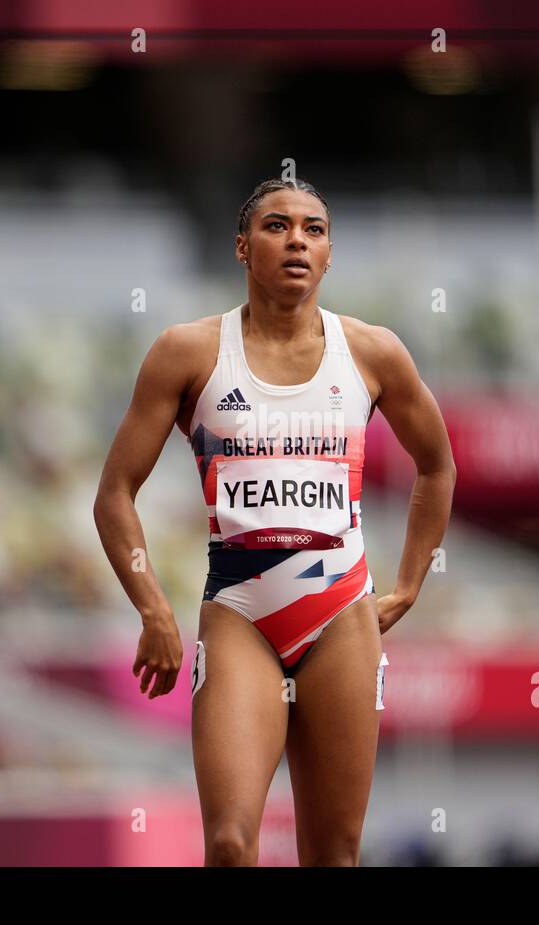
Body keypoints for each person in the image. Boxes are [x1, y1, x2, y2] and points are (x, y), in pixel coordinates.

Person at [95, 178, 456, 865]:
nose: (297, 239)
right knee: (230, 843)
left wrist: (410, 582)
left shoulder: (373, 352)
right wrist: (153, 611)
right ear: (241, 247)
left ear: (328, 258)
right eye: (277, 225)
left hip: (342, 613)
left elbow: (437, 466)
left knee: (333, 854)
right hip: (240, 610)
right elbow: (114, 493)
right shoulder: (189, 351)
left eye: (314, 230)